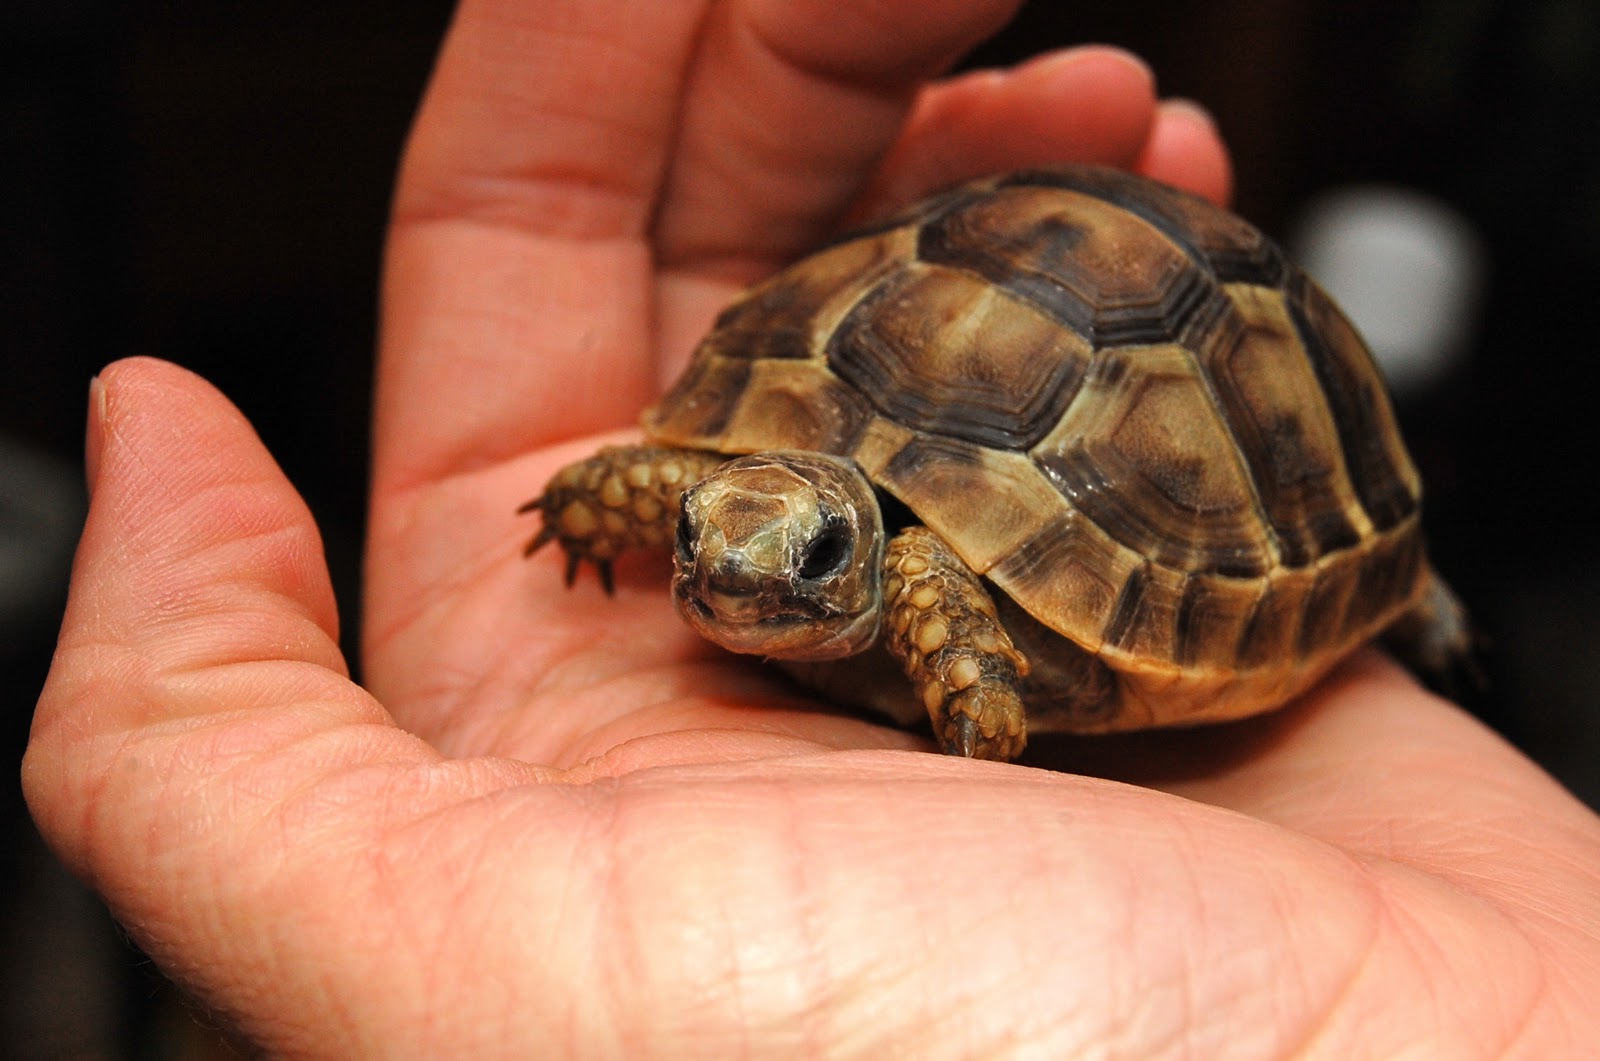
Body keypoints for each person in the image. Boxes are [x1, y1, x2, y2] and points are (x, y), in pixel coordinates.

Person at [23, 0, 1600, 1054]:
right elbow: (666, 479)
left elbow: (935, 603)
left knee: (931, 561)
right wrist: (624, 494)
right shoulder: (734, 518)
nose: (723, 580)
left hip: (1187, 456)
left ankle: (1399, 577)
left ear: (854, 553)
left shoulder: (918, 580)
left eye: (795, 566)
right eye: (708, 538)